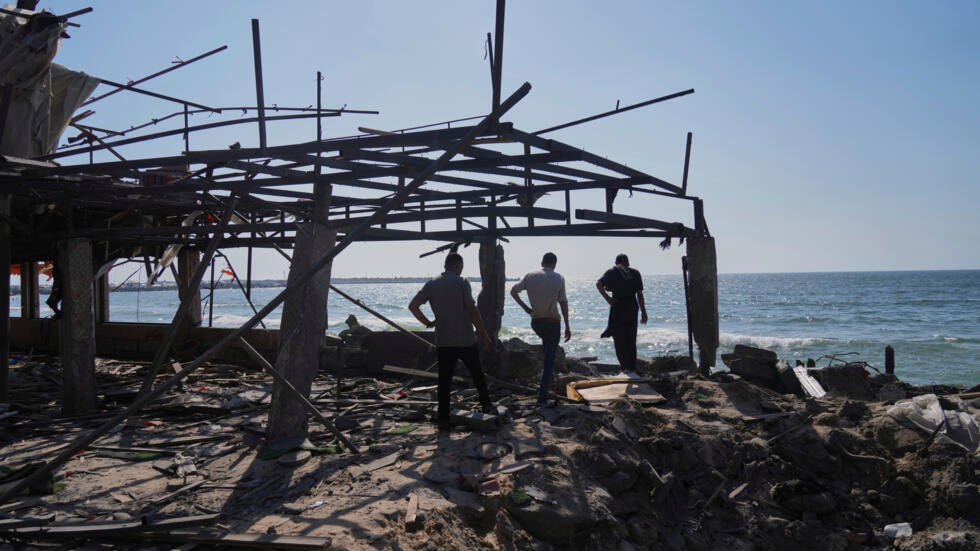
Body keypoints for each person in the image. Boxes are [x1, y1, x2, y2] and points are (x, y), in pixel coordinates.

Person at [409, 253, 494, 428]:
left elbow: (413, 305)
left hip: (444, 340)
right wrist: (484, 335)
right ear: (458, 265)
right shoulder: (462, 281)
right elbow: (472, 310)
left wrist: (428, 323)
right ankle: (486, 405)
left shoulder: (432, 283)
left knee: (444, 380)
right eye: (461, 266)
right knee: (477, 374)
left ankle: (443, 418)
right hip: (465, 339)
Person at [510, 252, 571, 405]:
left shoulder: (530, 275)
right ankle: (543, 397)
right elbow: (563, 302)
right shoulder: (559, 278)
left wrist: (526, 308)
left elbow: (513, 291)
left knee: (547, 352)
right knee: (550, 360)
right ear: (554, 264)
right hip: (552, 322)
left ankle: (546, 386)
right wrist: (568, 326)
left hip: (536, 322)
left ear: (541, 263)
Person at [596, 253, 647, 372]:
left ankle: (625, 368)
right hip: (632, 307)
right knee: (631, 339)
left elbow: (598, 284)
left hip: (618, 306)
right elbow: (639, 294)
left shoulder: (611, 272)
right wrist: (644, 312)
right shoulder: (635, 273)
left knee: (619, 340)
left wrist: (608, 298)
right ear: (628, 263)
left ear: (616, 263)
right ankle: (632, 368)